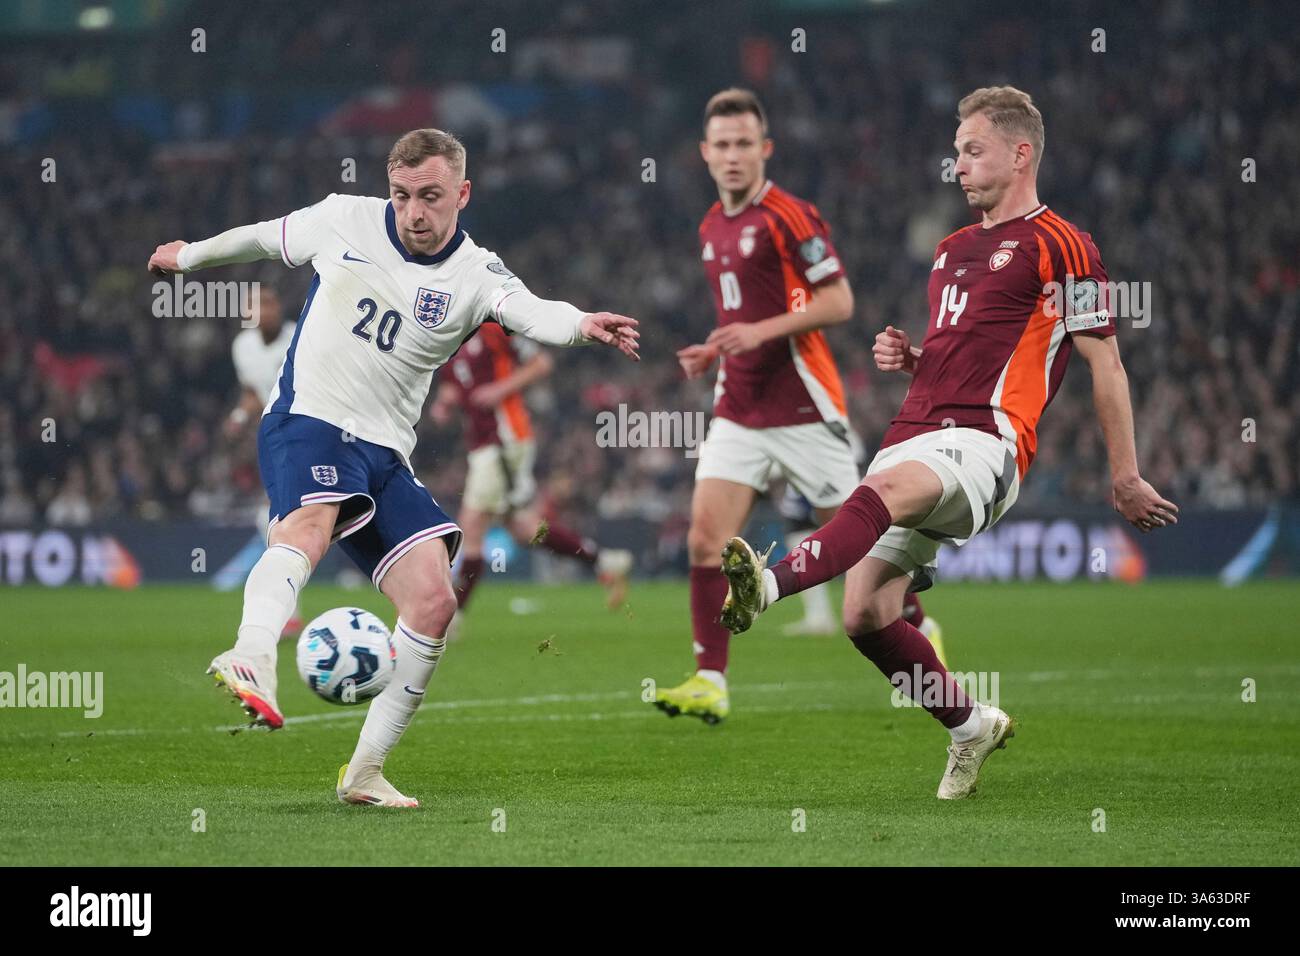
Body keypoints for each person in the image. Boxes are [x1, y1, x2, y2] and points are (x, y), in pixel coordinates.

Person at [147, 128, 639, 807]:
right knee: (310, 523)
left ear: (462, 195)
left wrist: (583, 323)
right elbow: (262, 237)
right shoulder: (343, 218)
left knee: (434, 601)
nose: (414, 211)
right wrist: (188, 256)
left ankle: (365, 772)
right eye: (403, 195)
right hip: (309, 420)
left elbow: (532, 313)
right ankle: (251, 653)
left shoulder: (477, 274)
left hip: (384, 452)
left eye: (431, 197)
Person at [719, 87, 1178, 799]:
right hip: (915, 432)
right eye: (955, 151)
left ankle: (768, 587)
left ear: (1020, 153)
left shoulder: (1065, 245)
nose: (956, 164)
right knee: (865, 614)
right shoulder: (950, 250)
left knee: (877, 497)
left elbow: (1104, 362)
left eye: (971, 150)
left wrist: (1126, 474)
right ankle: (971, 726)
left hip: (988, 444)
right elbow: (962, 349)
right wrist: (913, 358)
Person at [650, 88, 861, 725]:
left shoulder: (789, 216)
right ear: (705, 154)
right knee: (705, 539)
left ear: (764, 149)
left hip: (804, 407)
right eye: (723, 146)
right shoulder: (711, 226)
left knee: (862, 548)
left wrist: (759, 333)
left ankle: (915, 621)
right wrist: (717, 349)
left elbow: (840, 301)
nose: (734, 156)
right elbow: (740, 318)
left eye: (746, 144)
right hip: (738, 407)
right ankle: (710, 679)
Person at [428, 321, 633, 628]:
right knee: (524, 528)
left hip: (505, 439)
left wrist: (501, 389)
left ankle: (452, 616)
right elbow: (453, 384)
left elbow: (541, 363)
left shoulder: (493, 328)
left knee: (471, 524)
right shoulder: (450, 335)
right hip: (484, 442)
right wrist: (445, 403)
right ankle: (604, 560)